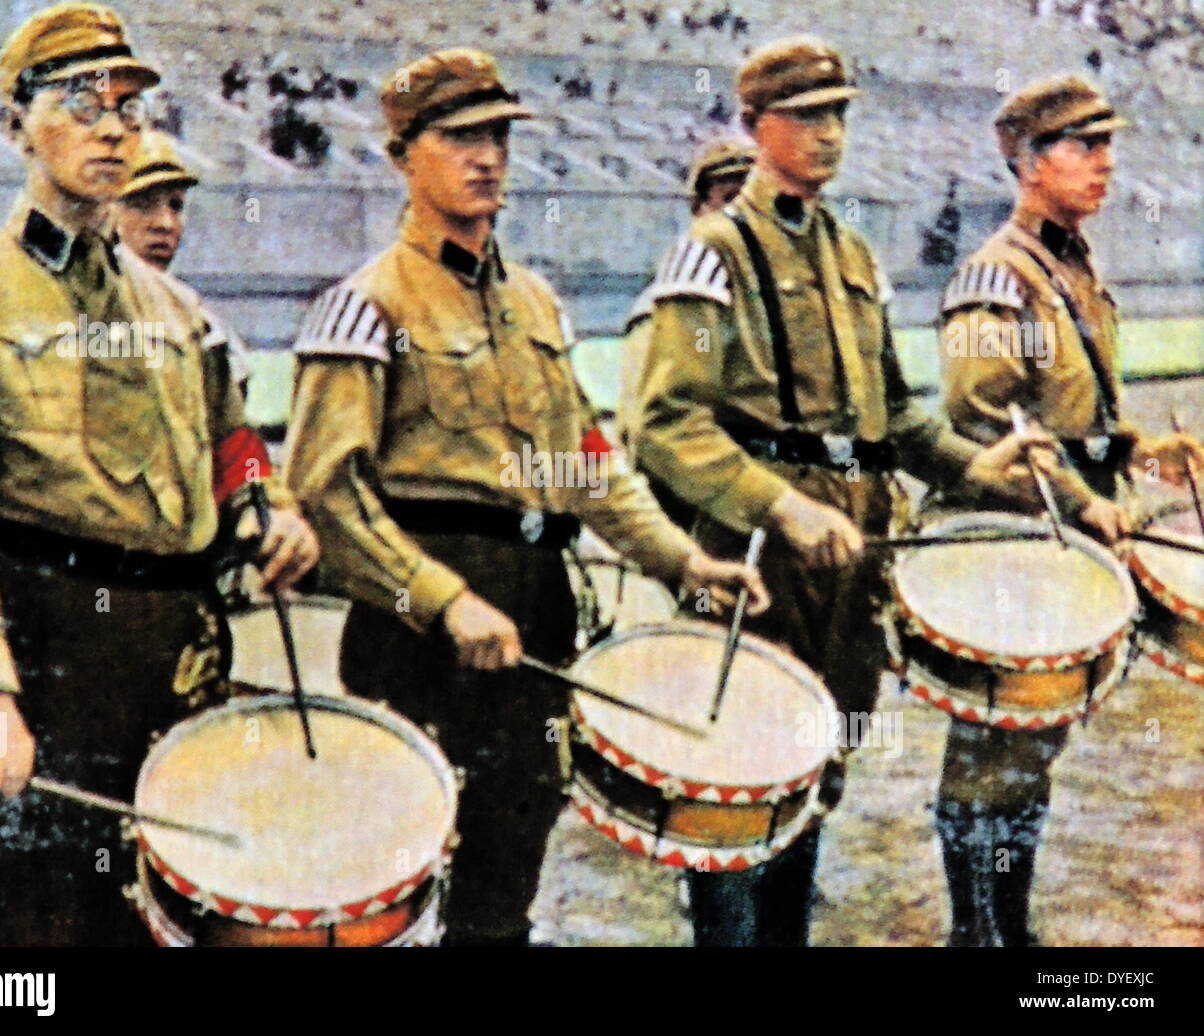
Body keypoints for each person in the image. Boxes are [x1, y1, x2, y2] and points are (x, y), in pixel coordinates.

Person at [281, 48, 768, 948]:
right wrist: (443, 601)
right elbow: (323, 496)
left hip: (536, 609)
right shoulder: (364, 305)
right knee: (399, 879)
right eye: (460, 136)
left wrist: (682, 560)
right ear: (401, 155)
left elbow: (588, 466)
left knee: (508, 870)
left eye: (499, 136)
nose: (488, 156)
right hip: (417, 621)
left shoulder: (536, 306)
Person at [632, 36, 1065, 947]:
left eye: (839, 115)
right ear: (754, 127)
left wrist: (967, 466)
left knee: (819, 771)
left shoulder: (854, 255)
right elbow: (667, 425)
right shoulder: (711, 257)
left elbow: (895, 417)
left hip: (853, 553)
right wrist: (779, 504)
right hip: (760, 555)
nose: (828, 134)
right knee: (741, 789)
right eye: (805, 116)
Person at [0, 3, 317, 947]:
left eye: (129, 106)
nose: (112, 127)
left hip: (178, 672)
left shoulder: (183, 314)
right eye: (81, 103)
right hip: (50, 672)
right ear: (15, 123)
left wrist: (267, 508)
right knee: (33, 930)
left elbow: (234, 442)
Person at [934, 74, 1203, 946]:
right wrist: (1090, 501)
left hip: (1061, 535)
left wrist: (1134, 449)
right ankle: (980, 933)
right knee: (992, 753)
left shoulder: (1070, 267)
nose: (1105, 163)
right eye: (1083, 147)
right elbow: (985, 425)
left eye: (1107, 145)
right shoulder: (995, 277)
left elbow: (1068, 407)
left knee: (1029, 743)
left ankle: (1004, 927)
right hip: (1012, 542)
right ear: (1026, 162)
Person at [620, 136, 754, 524]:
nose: (742, 219)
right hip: (712, 522)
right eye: (729, 200)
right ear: (699, 210)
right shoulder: (665, 307)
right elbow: (644, 437)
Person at [116, 130, 250, 396]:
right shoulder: (70, 309)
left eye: (175, 206)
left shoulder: (203, 324)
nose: (165, 224)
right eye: (143, 205)